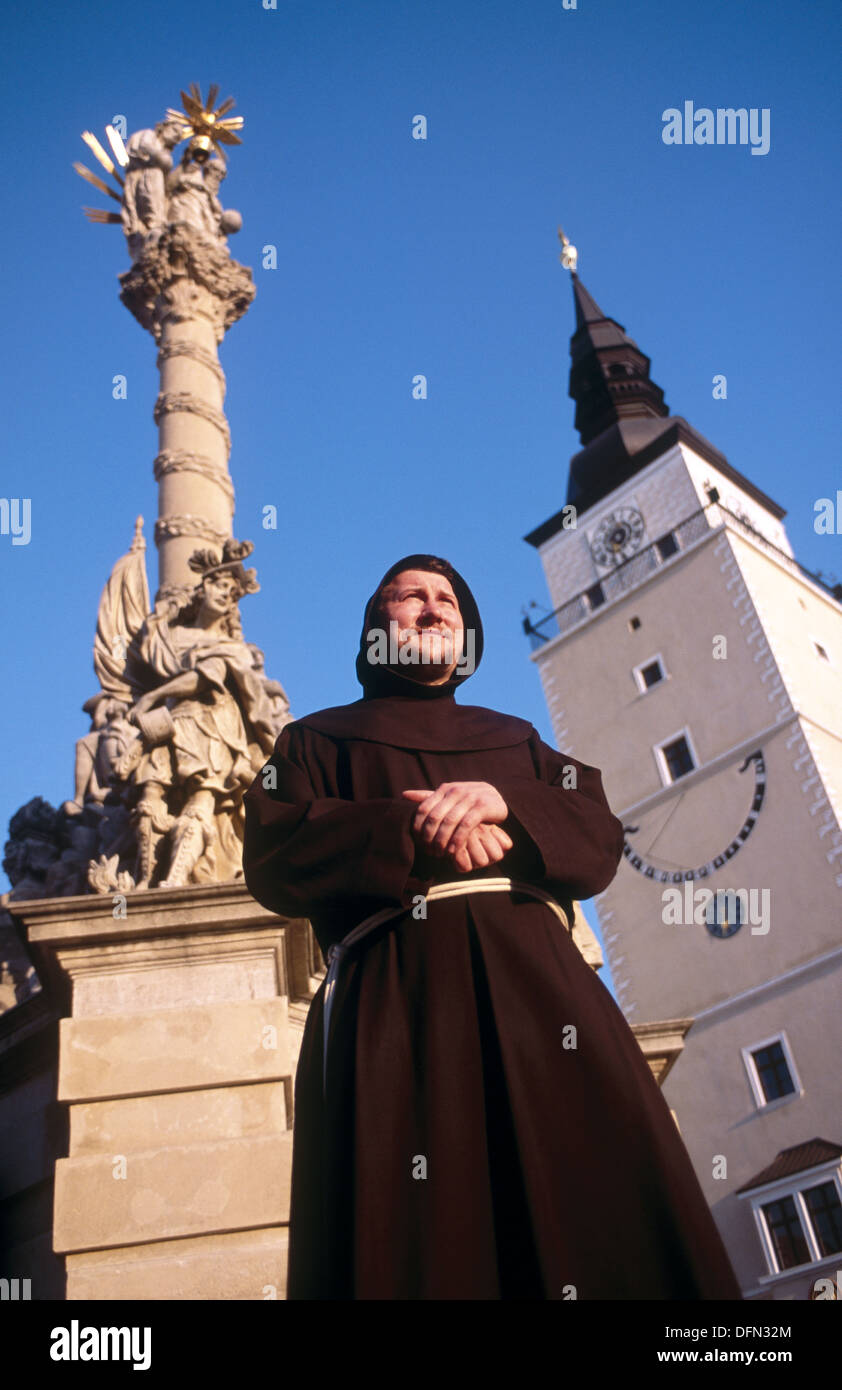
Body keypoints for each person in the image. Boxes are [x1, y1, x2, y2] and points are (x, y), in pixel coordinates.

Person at [243, 554, 742, 1300]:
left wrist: (505, 802)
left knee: (605, 1207)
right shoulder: (314, 742)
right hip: (397, 1002)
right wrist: (413, 824)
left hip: (545, 994)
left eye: (447, 598)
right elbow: (275, 856)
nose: (433, 607)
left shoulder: (515, 740)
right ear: (375, 627)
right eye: (410, 596)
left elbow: (600, 833)